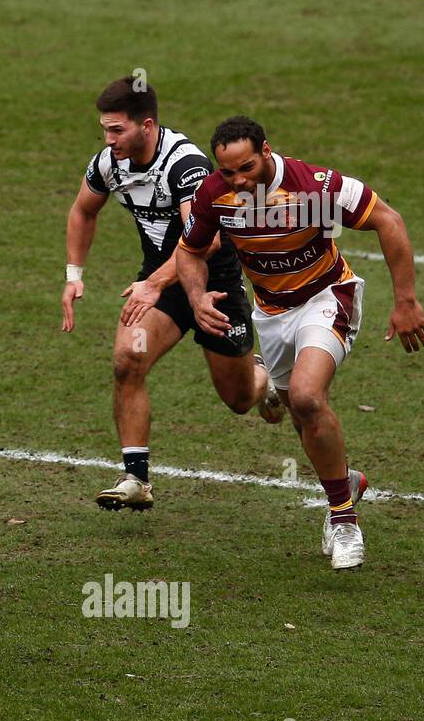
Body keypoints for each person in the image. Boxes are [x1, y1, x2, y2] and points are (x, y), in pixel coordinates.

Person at [177, 116, 424, 569]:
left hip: (327, 297)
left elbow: (389, 221)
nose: (238, 180)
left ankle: (343, 520)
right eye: (228, 171)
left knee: (309, 397)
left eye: (247, 168)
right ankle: (344, 482)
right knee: (298, 411)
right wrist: (196, 298)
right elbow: (190, 250)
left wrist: (406, 301)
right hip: (271, 314)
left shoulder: (315, 186)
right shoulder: (215, 194)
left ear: (267, 150)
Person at [62, 77, 281, 511]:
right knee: (127, 360)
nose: (108, 140)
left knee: (238, 400)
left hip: (211, 283)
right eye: (105, 130)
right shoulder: (111, 162)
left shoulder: (185, 166)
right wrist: (74, 274)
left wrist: (155, 283)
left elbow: (207, 241)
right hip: (161, 282)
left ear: (146, 125)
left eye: (116, 130)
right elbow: (83, 210)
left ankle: (264, 378)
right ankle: (136, 479)